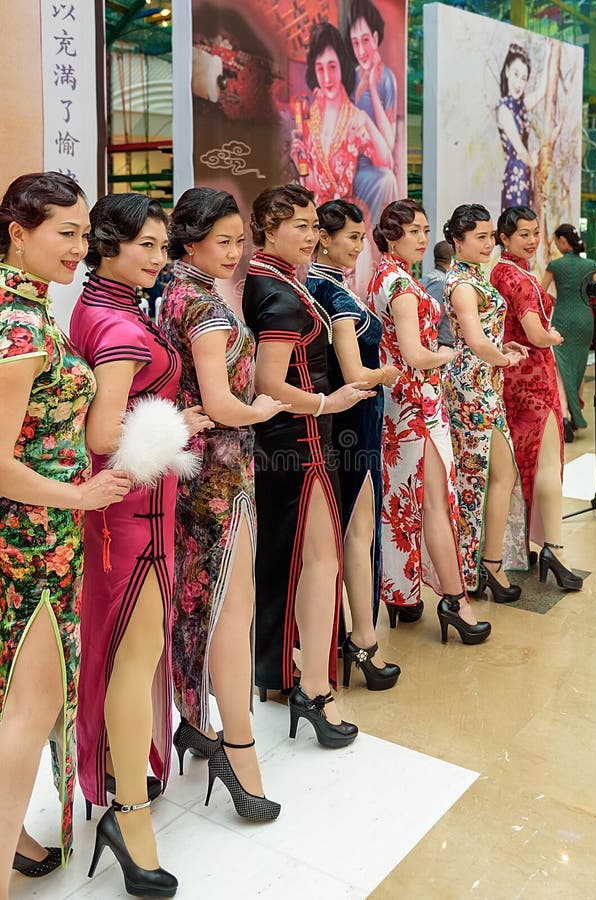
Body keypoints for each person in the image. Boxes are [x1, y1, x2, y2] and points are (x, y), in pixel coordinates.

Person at [71, 193, 210, 897]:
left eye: (163, 246)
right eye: (147, 247)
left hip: (137, 511)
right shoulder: (118, 325)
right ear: (106, 246)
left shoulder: (109, 311)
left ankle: (122, 792)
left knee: (134, 653)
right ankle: (128, 816)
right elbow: (101, 437)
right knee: (134, 657)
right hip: (126, 514)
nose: (159, 258)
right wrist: (177, 425)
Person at [0, 172, 130, 895]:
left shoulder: (23, 311)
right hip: (30, 540)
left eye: (85, 234)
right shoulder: (18, 328)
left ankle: (16, 837)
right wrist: (77, 495)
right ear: (19, 232)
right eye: (65, 233)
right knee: (30, 710)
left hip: (36, 535)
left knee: (18, 706)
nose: (80, 248)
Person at [158, 187, 284, 820]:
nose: (235, 254)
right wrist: (264, 409)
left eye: (240, 241)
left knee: (199, 601)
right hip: (223, 473)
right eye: (223, 241)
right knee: (229, 608)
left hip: (196, 472)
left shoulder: (174, 293)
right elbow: (225, 404)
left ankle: (196, 721)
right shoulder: (202, 305)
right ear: (190, 240)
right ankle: (237, 748)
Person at [242, 183, 372, 747]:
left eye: (314, 224)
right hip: (299, 439)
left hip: (296, 439)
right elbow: (268, 380)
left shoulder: (276, 282)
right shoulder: (277, 291)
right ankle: (313, 690)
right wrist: (326, 402)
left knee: (306, 562)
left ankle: (300, 679)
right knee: (318, 563)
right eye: (299, 224)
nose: (311, 234)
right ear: (268, 229)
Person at [367, 199, 490, 645]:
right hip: (418, 404)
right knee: (436, 504)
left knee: (406, 506)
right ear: (392, 234)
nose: (422, 238)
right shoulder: (399, 283)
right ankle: (456, 600)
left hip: (404, 406)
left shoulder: (384, 276)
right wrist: (450, 354)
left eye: (424, 230)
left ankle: (404, 597)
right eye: (414, 231)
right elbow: (416, 354)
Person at [306, 199, 401, 687]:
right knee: (356, 531)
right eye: (352, 238)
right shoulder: (331, 292)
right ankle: (363, 640)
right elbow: (357, 373)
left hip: (333, 420)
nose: (359, 246)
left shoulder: (315, 287)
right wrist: (391, 371)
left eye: (363, 238)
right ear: (324, 237)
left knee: (341, 532)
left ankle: (345, 636)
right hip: (353, 419)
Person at [491, 206, 583, 590]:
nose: (531, 240)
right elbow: (536, 331)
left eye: (533, 233)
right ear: (504, 238)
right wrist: (554, 336)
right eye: (523, 234)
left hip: (508, 375)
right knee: (547, 463)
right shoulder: (521, 278)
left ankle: (529, 544)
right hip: (534, 376)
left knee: (518, 464)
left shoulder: (497, 272)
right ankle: (554, 549)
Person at [443, 203, 529, 601]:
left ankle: (486, 563)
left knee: (498, 474)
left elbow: (484, 336)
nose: (488, 242)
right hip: (470, 387)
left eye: (490, 235)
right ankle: (477, 569)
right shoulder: (461, 283)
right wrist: (503, 356)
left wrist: (502, 346)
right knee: (477, 480)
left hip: (484, 382)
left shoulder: (475, 276)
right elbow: (474, 342)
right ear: (457, 241)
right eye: (479, 236)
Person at [290, 22, 392, 211]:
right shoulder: (309, 119)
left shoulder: (353, 117)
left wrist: (367, 121)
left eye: (332, 67)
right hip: (316, 221)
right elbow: (312, 187)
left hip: (346, 221)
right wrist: (299, 163)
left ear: (342, 68)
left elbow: (386, 163)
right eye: (320, 69)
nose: (327, 79)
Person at [542, 223, 596, 440]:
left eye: (557, 240)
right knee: (578, 367)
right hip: (585, 319)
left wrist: (555, 300)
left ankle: (565, 415)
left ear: (563, 241)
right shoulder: (591, 264)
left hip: (563, 318)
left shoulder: (555, 265)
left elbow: (541, 290)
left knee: (562, 368)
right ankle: (575, 416)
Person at [346, 0, 398, 224]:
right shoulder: (350, 78)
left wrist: (373, 89)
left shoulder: (387, 79)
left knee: (387, 177)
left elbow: (388, 146)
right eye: (355, 43)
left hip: (374, 166)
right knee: (387, 179)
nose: (360, 51)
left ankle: (382, 248)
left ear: (376, 39)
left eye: (365, 41)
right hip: (349, 165)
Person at [497, 43, 546, 209]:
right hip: (514, 178)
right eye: (516, 74)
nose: (519, 82)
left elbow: (541, 92)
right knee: (518, 228)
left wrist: (549, 55)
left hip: (524, 177)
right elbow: (521, 151)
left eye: (524, 78)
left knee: (526, 227)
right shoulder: (504, 109)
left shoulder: (520, 105)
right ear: (507, 72)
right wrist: (534, 157)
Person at [420, 240, 454, 349]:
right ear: (452, 259)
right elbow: (434, 318)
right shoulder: (441, 284)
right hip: (441, 347)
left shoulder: (426, 279)